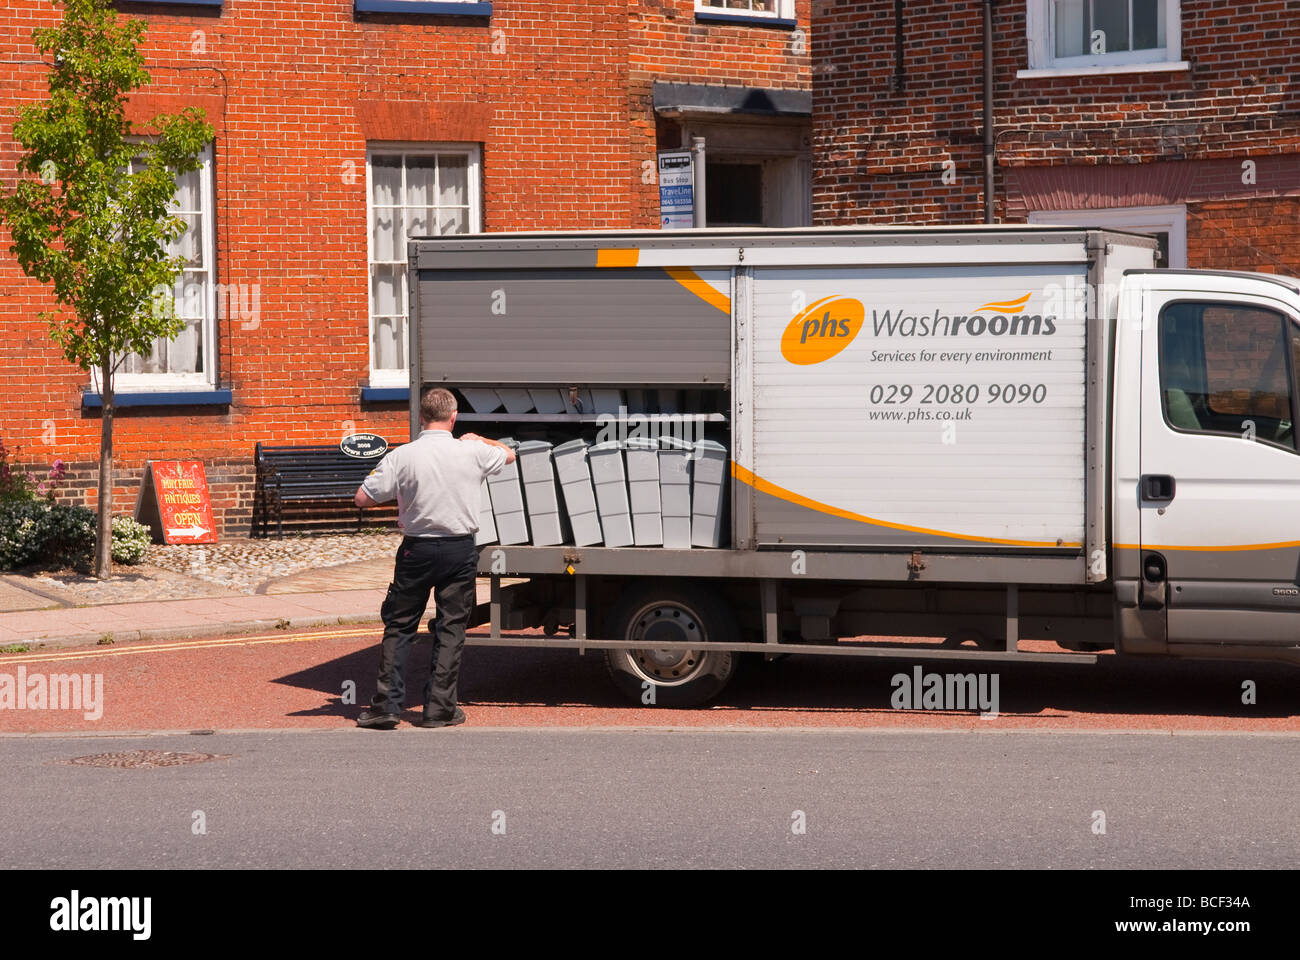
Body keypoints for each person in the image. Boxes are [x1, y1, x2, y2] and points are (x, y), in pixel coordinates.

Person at [353, 387, 515, 729]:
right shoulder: (472, 451)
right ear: (453, 417)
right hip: (459, 549)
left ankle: (386, 707)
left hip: (416, 550)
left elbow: (362, 499)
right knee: (451, 628)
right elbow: (510, 455)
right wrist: (481, 438)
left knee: (399, 627)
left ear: (421, 417)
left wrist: (400, 493)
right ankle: (438, 709)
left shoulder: (403, 456)